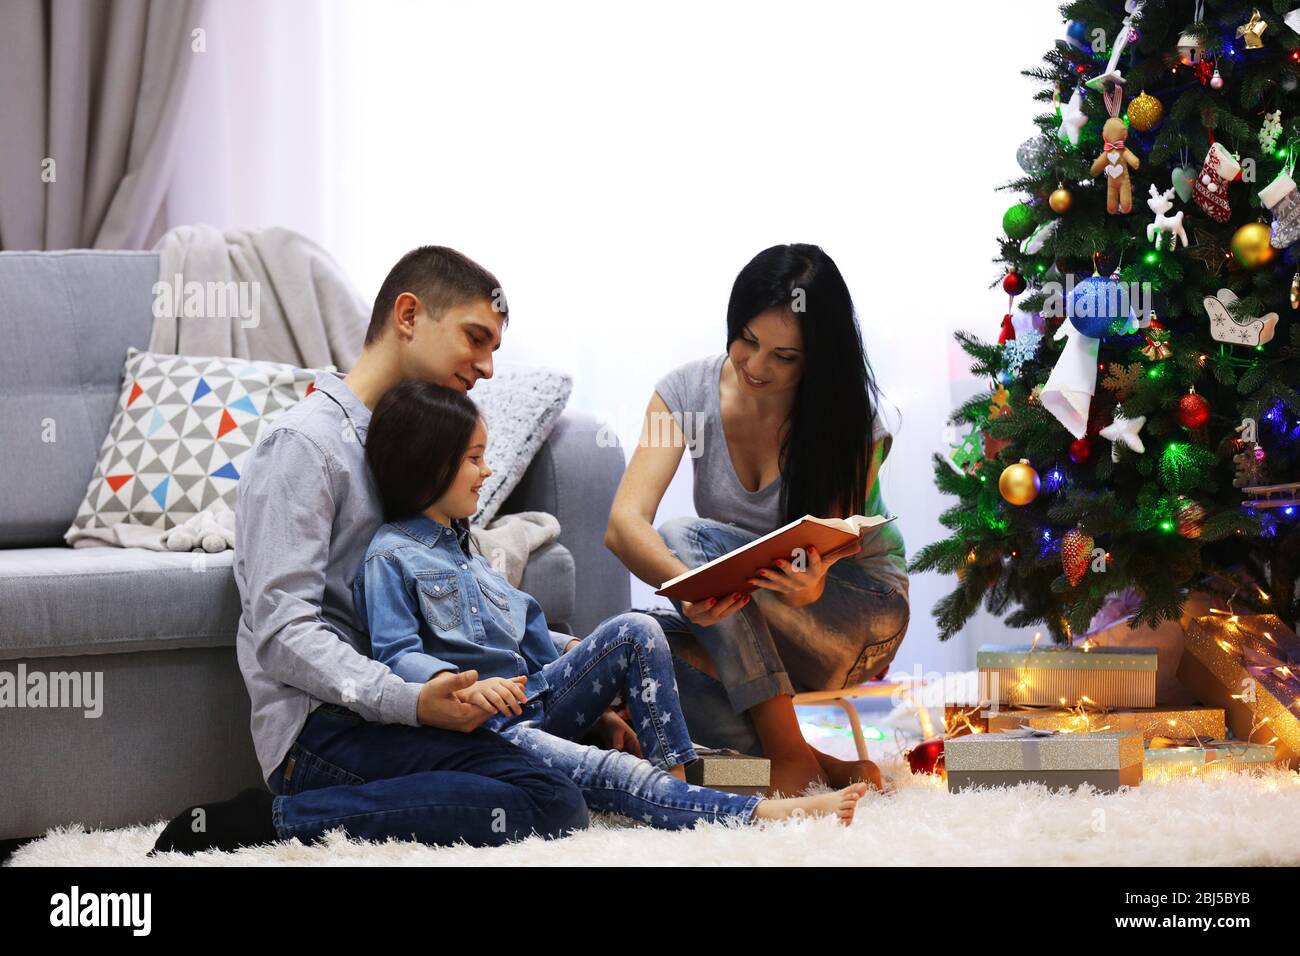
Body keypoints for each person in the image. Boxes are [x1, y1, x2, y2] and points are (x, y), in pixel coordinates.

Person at [152, 246, 588, 854]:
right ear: (408, 316)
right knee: (551, 800)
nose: (487, 367)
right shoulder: (305, 446)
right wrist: (411, 703)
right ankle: (264, 825)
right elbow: (283, 633)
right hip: (326, 731)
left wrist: (576, 672)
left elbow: (459, 599)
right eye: (476, 337)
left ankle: (741, 781)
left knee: (580, 761)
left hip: (419, 705)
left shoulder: (411, 451)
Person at [355, 379, 869, 827]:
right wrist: (465, 686)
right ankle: (758, 813)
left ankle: (679, 788)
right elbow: (397, 656)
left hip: (539, 697)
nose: (486, 471)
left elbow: (528, 634)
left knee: (636, 629)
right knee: (619, 771)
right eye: (473, 458)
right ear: (428, 464)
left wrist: (588, 669)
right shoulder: (389, 556)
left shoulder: (469, 548)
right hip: (487, 728)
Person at [605, 243, 909, 797]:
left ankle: (786, 753)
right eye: (747, 339)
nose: (756, 365)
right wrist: (693, 593)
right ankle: (811, 761)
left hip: (855, 617)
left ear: (817, 357)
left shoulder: (849, 418)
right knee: (629, 647)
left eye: (785, 356)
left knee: (682, 535)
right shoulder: (685, 393)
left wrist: (805, 588)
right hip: (757, 634)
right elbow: (623, 524)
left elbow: (827, 556)